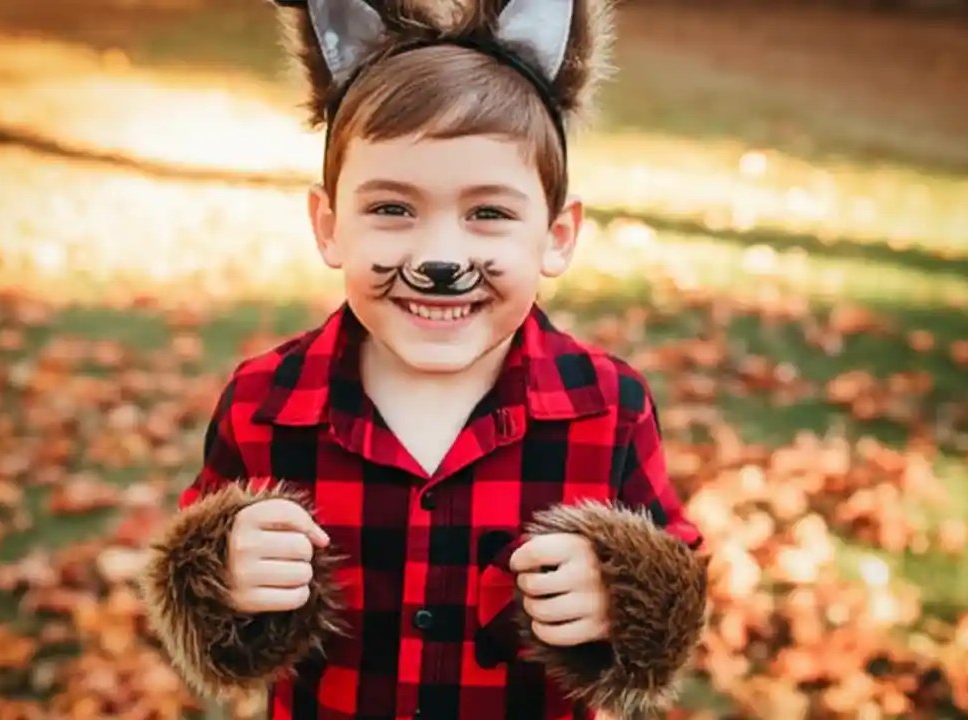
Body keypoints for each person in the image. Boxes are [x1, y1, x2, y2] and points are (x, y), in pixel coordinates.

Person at [140, 1, 708, 718]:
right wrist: (221, 580)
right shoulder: (265, 402)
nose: (440, 258)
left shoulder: (608, 404)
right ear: (329, 225)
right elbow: (212, 621)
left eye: (488, 214)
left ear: (557, 236)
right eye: (392, 210)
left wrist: (623, 598)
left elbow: (677, 577)